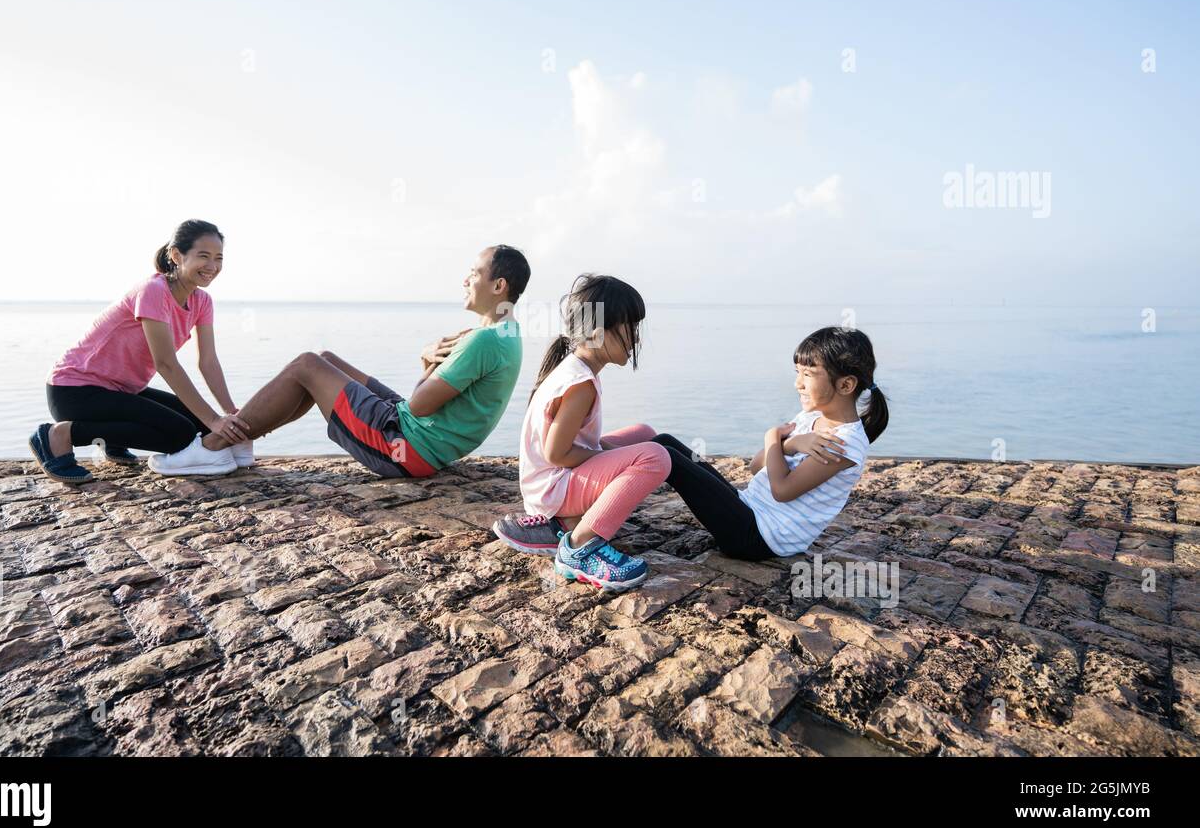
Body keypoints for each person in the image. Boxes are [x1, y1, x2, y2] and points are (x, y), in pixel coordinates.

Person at [150, 245, 530, 478]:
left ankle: (215, 446)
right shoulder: (507, 334)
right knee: (324, 359)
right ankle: (242, 443)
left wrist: (425, 360)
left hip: (406, 447)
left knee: (305, 365)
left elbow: (418, 404)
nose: (466, 280)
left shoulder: (483, 340)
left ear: (499, 286)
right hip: (417, 437)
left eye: (474, 273)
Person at [28, 219, 251, 484]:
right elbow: (166, 364)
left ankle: (112, 439)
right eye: (203, 256)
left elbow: (209, 362)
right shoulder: (153, 291)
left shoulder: (202, 301)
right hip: (76, 390)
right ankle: (60, 435)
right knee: (180, 434)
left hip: (120, 390)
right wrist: (215, 419)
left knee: (201, 430)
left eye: (218, 258)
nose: (212, 267)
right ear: (177, 255)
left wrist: (230, 414)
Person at [491, 274, 669, 591]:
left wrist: (606, 456)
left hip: (554, 483)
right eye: (631, 327)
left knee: (645, 433)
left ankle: (564, 523)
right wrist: (607, 459)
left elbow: (568, 446)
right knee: (655, 458)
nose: (636, 338)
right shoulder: (579, 385)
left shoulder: (577, 369)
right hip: (553, 490)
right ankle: (579, 546)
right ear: (599, 334)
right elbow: (556, 454)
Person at [653, 326, 888, 559]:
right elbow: (757, 466)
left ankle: (613, 515)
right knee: (664, 442)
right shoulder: (810, 418)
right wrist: (790, 445)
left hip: (759, 536)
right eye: (798, 372)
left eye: (808, 374)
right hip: (748, 506)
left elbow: (782, 491)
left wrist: (772, 436)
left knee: (667, 457)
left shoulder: (843, 442)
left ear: (846, 385)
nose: (798, 383)